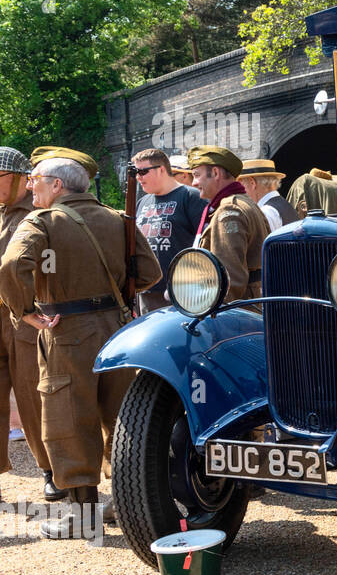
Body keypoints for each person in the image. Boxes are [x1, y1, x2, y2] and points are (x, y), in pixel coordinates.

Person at [0, 152, 161, 538]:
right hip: (118, 329)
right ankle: (128, 500)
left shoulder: (41, 222)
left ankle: (83, 514)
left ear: (58, 185)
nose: (30, 186)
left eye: (36, 180)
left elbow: (9, 267)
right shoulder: (114, 219)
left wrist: (23, 311)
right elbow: (151, 272)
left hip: (66, 330)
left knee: (68, 420)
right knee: (120, 418)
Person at [0, 148, 58, 502]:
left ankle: (50, 468)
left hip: (26, 316)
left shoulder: (40, 215)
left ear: (22, 178)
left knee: (33, 395)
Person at [189, 146, 269, 302]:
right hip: (249, 307)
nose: (193, 183)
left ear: (216, 173)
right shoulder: (244, 203)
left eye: (197, 175)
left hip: (235, 313)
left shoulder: (229, 209)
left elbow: (229, 279)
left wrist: (211, 310)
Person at [133, 148, 206, 312]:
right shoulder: (142, 202)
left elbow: (205, 244)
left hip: (183, 291)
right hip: (147, 293)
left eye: (143, 171)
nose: (138, 177)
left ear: (161, 169)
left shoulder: (191, 196)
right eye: (136, 172)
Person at [238, 158, 300, 232]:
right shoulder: (285, 205)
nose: (242, 191)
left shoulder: (266, 212)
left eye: (242, 184)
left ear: (252, 183)